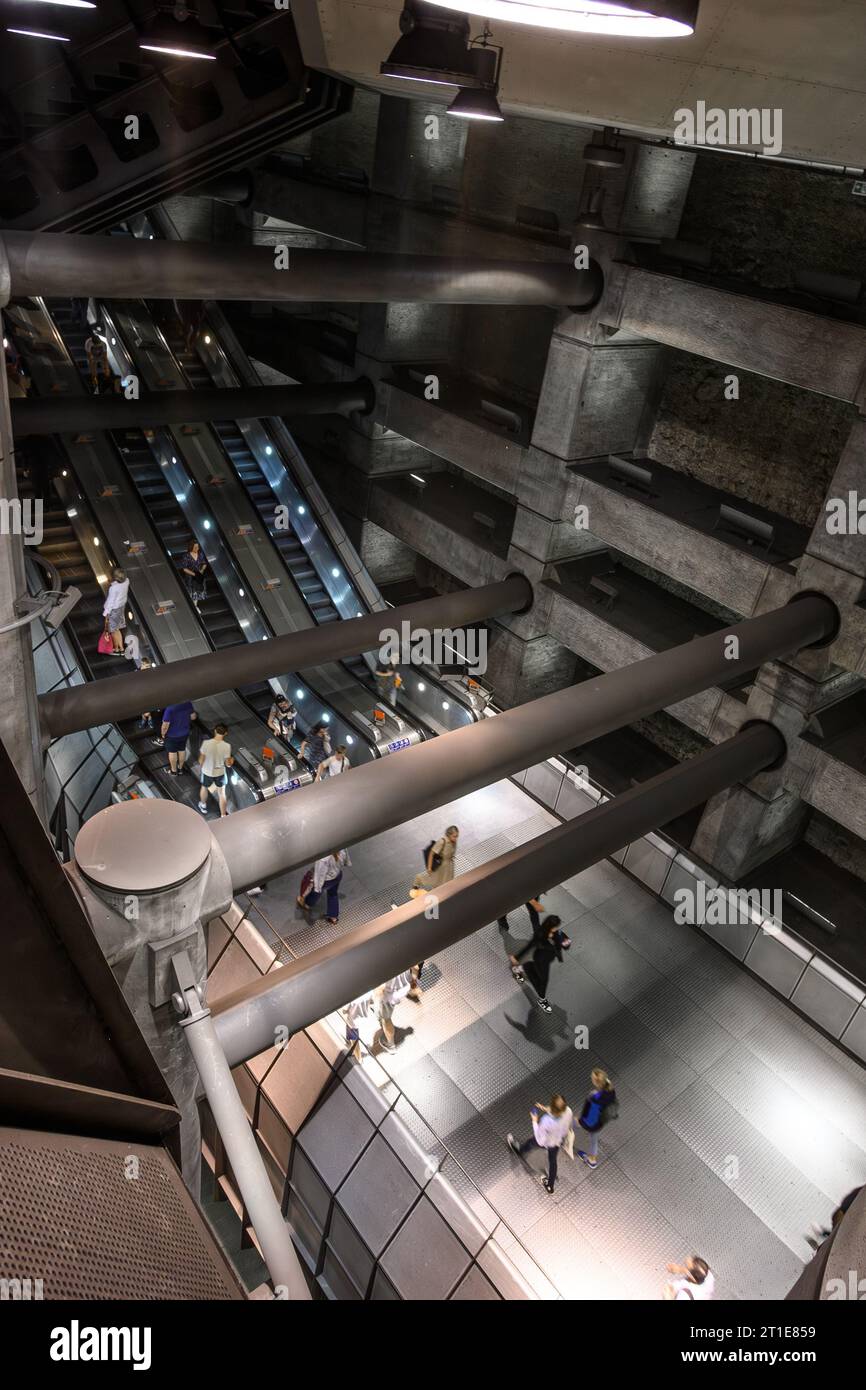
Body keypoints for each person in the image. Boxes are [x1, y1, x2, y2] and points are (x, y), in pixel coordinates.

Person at [507, 1094, 574, 1195]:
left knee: (530, 1143)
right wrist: (545, 1108)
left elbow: (540, 1140)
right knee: (553, 1162)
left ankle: (519, 1150)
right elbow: (559, 1115)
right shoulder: (568, 1111)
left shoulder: (547, 1120)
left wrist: (534, 1121)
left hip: (546, 1142)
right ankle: (550, 1186)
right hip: (557, 1142)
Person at [510, 914, 567, 1014]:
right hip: (540, 959)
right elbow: (530, 946)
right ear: (550, 926)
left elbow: (564, 941)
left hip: (548, 958)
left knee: (533, 969)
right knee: (543, 981)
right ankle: (542, 1000)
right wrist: (517, 957)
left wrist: (565, 943)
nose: (556, 929)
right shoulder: (540, 934)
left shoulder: (556, 933)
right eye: (555, 927)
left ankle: (518, 970)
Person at [576, 1067, 618, 1168]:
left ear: (596, 1082)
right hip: (603, 1119)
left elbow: (590, 1120)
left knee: (593, 1140)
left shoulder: (595, 1098)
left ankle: (592, 1161)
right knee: (594, 1136)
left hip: (595, 1123)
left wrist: (580, 1122)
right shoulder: (610, 1087)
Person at [297, 848, 350, 925]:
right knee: (333, 894)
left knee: (316, 892)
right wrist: (347, 863)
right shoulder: (341, 848)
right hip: (337, 876)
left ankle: (307, 904)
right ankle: (333, 917)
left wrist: (317, 887)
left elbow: (319, 875)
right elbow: (347, 857)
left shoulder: (323, 859)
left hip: (327, 881)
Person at [501, 894, 571, 949]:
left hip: (532, 890)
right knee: (506, 906)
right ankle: (501, 918)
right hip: (513, 892)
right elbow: (515, 887)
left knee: (534, 913)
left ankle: (540, 936)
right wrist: (534, 903)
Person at [198, 723, 234, 817]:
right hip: (220, 773)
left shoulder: (206, 743)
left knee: (204, 787)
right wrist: (231, 760)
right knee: (222, 793)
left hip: (207, 772)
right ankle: (223, 815)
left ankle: (203, 805)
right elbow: (228, 764)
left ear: (215, 731)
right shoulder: (227, 746)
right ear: (225, 733)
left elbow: (201, 759)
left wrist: (202, 767)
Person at [412, 825, 459, 894]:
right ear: (449, 835)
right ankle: (417, 881)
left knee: (445, 882)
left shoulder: (454, 842)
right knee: (434, 879)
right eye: (454, 836)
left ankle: (439, 894)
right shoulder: (442, 841)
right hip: (441, 865)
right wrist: (429, 868)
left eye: (457, 836)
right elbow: (431, 853)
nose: (456, 838)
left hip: (449, 865)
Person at [376, 969, 413, 1053]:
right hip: (404, 984)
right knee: (385, 1010)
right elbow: (416, 967)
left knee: (386, 1018)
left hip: (390, 992)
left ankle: (391, 1045)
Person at [160, 701, 196, 775]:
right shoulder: (187, 703)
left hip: (172, 735)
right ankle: (180, 769)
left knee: (172, 752)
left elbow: (165, 725)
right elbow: (193, 717)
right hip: (184, 732)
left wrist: (163, 734)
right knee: (182, 749)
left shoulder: (169, 709)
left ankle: (173, 771)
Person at [102, 568, 129, 655]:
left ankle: (117, 649)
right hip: (121, 607)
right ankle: (120, 649)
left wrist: (105, 613)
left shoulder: (113, 588)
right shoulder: (127, 581)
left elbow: (110, 602)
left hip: (114, 610)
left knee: (113, 630)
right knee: (117, 629)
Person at [179, 540, 208, 611]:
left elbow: (204, 563)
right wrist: (194, 574)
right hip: (190, 576)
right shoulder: (186, 556)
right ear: (191, 547)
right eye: (195, 547)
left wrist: (201, 570)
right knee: (192, 591)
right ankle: (192, 607)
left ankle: (195, 606)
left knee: (198, 591)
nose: (197, 548)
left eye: (197, 547)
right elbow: (184, 569)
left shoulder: (200, 554)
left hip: (198, 575)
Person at [85, 326, 112, 395]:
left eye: (98, 345)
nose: (97, 346)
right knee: (93, 372)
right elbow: (89, 355)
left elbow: (105, 356)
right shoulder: (88, 343)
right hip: (92, 357)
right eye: (96, 345)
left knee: (107, 369)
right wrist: (92, 362)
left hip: (101, 356)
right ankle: (95, 387)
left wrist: (106, 367)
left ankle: (107, 383)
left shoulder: (103, 344)